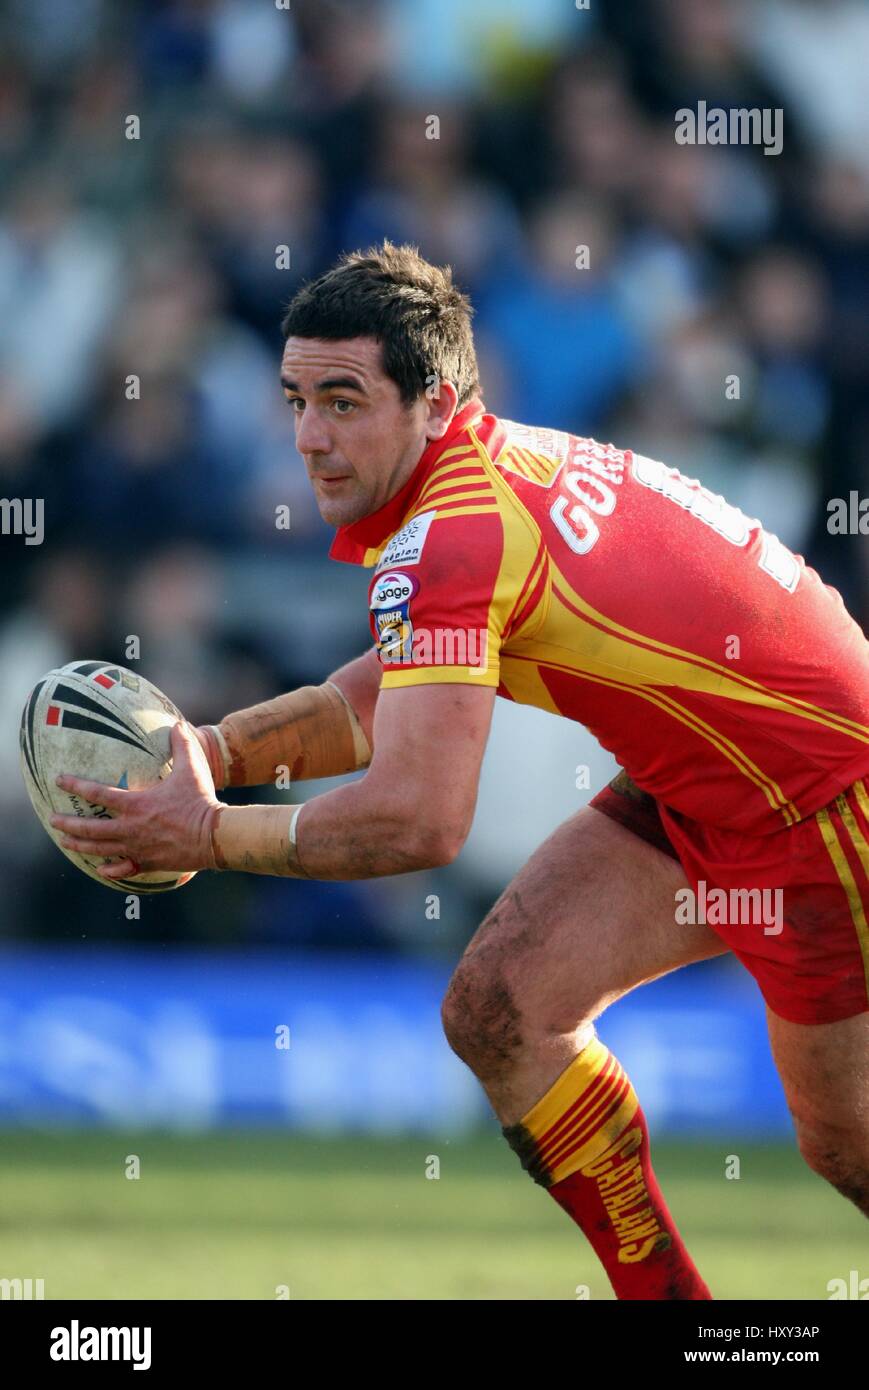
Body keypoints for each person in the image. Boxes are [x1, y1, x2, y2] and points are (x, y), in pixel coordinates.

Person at [50, 241, 869, 1300]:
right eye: (296, 399)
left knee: (844, 1146)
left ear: (432, 403)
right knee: (497, 1007)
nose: (309, 437)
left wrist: (203, 836)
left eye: (343, 402)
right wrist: (211, 753)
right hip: (705, 788)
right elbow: (378, 693)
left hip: (817, 799)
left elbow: (416, 824)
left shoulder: (452, 532)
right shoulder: (478, 476)